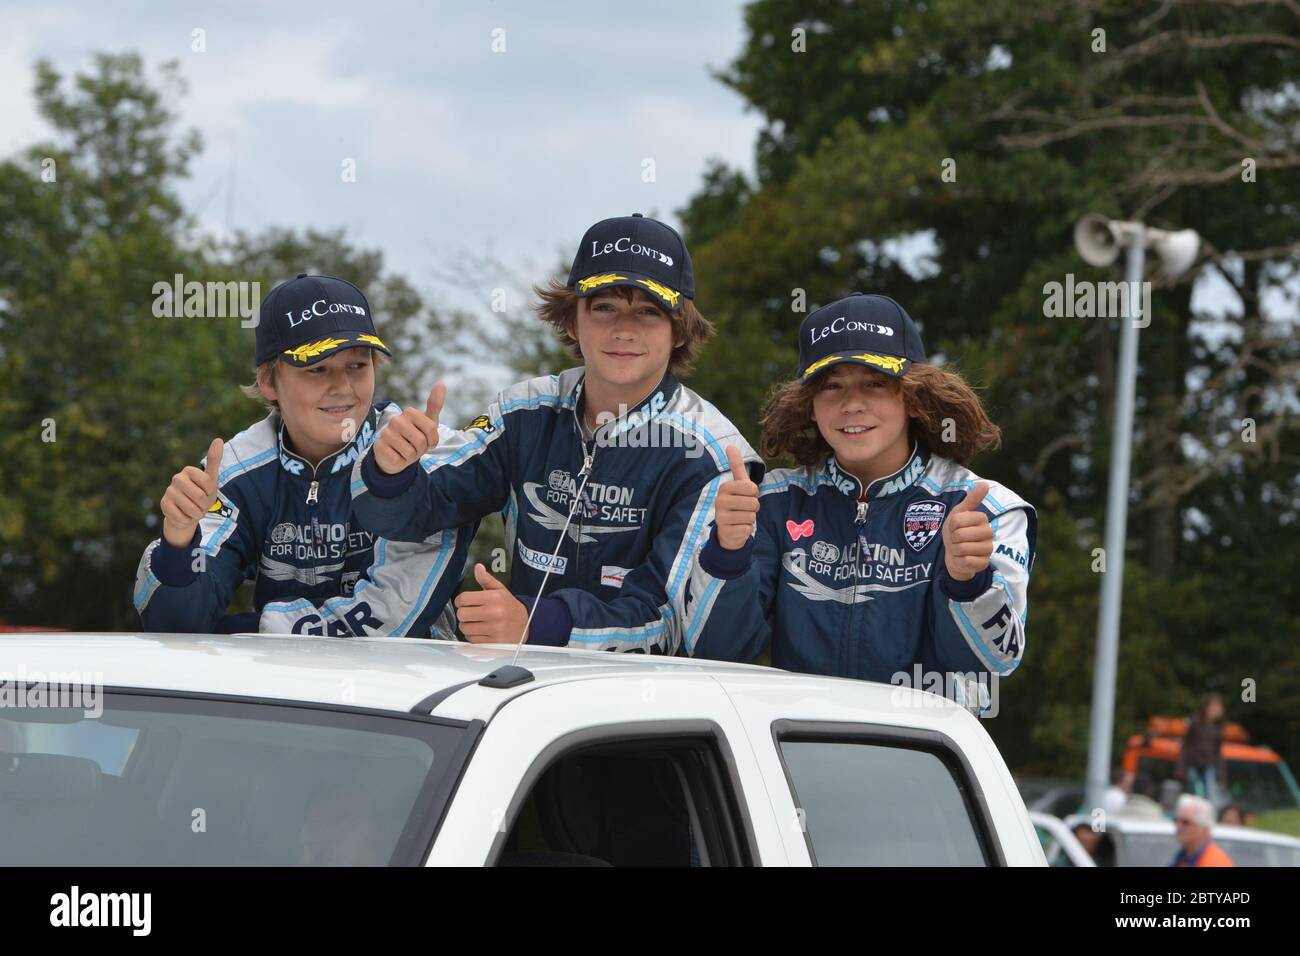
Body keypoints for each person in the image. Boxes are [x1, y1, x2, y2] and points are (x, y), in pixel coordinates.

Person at [351, 213, 761, 652]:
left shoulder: (713, 453)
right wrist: (390, 471)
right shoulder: (522, 411)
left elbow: (676, 630)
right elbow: (412, 517)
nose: (624, 329)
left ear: (679, 329)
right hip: (531, 691)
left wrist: (538, 623)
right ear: (571, 320)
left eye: (648, 311)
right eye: (604, 307)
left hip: (650, 708)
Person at [683, 293, 1035, 690]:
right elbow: (713, 651)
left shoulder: (988, 510)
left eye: (875, 383)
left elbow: (997, 662)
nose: (852, 404)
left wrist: (969, 583)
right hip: (796, 743)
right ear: (810, 407)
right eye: (831, 386)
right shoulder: (771, 501)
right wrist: (727, 554)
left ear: (913, 397)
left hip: (920, 748)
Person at [133, 274, 473, 636]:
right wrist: (178, 542)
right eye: (317, 367)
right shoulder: (235, 471)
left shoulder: (423, 454)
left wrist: (247, 634)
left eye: (358, 365)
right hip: (284, 689)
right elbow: (174, 628)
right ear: (267, 380)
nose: (342, 388)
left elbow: (391, 623)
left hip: (409, 684)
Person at [1178, 692, 1229, 799]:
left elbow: (1218, 752)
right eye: (1214, 706)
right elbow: (1186, 746)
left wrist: (1222, 773)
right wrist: (1182, 768)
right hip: (1193, 764)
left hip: (1209, 766)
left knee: (1209, 795)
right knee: (1194, 794)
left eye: (1219, 707)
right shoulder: (1195, 722)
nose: (1216, 710)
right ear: (1206, 707)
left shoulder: (1218, 728)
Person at [1170, 794, 1234, 867]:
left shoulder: (1217, 863)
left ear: (1203, 828)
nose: (1178, 826)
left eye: (1186, 822)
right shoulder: (1183, 857)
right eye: (1176, 820)